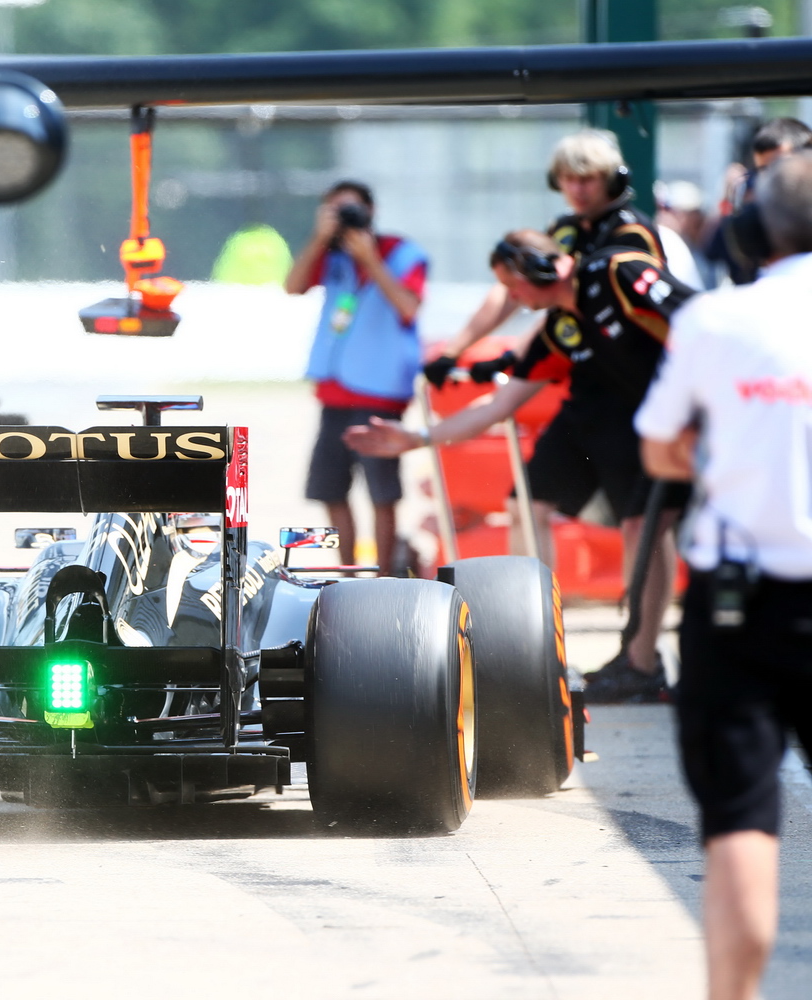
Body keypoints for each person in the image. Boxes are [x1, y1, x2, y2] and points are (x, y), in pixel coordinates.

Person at [344, 229, 695, 703]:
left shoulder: (617, 272)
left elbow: (698, 319)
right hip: (610, 423)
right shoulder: (560, 327)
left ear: (543, 268)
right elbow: (497, 406)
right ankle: (533, 648)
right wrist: (415, 438)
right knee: (533, 506)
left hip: (684, 425)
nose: (513, 299)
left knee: (647, 530)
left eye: (514, 286)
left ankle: (646, 661)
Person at [635, 150, 812, 1000]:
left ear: (747, 231)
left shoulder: (715, 321)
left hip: (742, 602)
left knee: (741, 823)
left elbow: (659, 445)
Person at [422, 129, 664, 387]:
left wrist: (514, 356)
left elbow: (573, 304)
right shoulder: (564, 229)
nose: (576, 189)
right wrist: (453, 352)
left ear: (612, 180)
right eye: (567, 179)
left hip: (632, 369)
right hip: (585, 365)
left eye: (587, 179)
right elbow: (515, 289)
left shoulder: (632, 233)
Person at [284, 180, 427, 574]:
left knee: (383, 494)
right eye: (335, 211)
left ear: (371, 212)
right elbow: (292, 286)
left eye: (351, 211)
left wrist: (371, 261)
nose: (345, 220)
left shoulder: (402, 253)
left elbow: (408, 306)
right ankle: (347, 573)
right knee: (331, 490)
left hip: (380, 393)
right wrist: (319, 238)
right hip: (334, 392)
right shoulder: (331, 256)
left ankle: (383, 577)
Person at [702, 117, 812, 286]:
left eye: (778, 168)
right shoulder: (752, 198)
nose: (767, 181)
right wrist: (728, 201)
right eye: (762, 170)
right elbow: (713, 251)